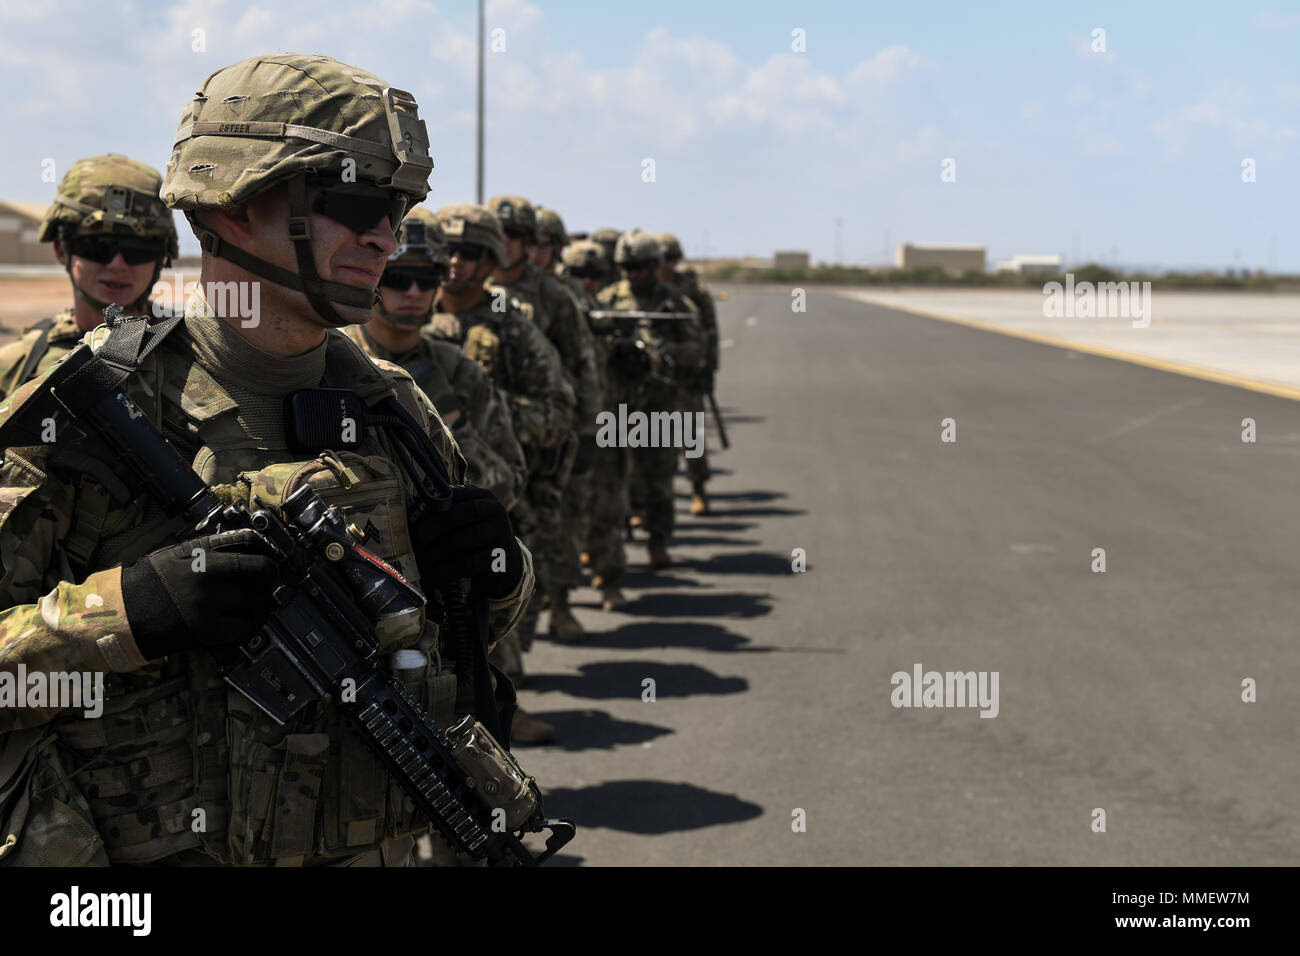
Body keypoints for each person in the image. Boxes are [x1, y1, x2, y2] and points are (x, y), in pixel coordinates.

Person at [0, 53, 534, 867]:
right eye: (356, 201)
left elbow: (447, 650)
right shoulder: (80, 416)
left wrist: (496, 577)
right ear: (238, 205)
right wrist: (129, 613)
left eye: (396, 206)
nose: (385, 235)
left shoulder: (394, 409)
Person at [429, 201, 576, 744]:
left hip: (494, 490)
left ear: (490, 261)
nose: (456, 263)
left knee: (489, 620)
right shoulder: (402, 313)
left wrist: (482, 410)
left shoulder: (513, 328)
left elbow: (559, 410)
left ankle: (496, 720)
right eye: (448, 251)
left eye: (471, 252)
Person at [346, 206, 526, 511]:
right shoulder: (335, 356)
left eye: (427, 279)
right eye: (400, 278)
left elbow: (507, 489)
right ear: (374, 277)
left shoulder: (460, 371)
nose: (414, 292)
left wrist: (453, 425)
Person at [486, 195, 600, 645]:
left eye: (516, 236)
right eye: (501, 234)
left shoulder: (553, 295)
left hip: (546, 436)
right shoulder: (467, 288)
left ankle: (562, 606)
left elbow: (582, 362)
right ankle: (511, 643)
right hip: (486, 438)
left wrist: (590, 428)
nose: (509, 244)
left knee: (554, 525)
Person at [0, 155, 178, 399]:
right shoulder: (17, 367)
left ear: (161, 257)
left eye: (138, 250)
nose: (117, 264)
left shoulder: (196, 355)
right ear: (62, 250)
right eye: (97, 247)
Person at [596, 231, 705, 568]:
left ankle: (658, 541)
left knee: (659, 480)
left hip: (660, 408)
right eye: (627, 267)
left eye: (641, 267)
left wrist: (662, 352)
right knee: (613, 483)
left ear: (656, 266)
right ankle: (609, 549)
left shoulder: (675, 304)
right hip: (616, 406)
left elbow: (697, 350)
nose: (634, 274)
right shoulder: (608, 300)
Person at [561, 240, 628, 609]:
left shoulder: (606, 311)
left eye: (594, 276)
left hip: (606, 422)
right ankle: (560, 601)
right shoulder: (558, 310)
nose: (587, 283)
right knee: (565, 516)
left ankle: (608, 579)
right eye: (579, 275)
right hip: (569, 429)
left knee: (607, 505)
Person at [658, 233, 719, 516]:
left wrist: (708, 368)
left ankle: (698, 488)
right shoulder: (646, 287)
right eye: (660, 259)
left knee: (690, 437)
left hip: (686, 374)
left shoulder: (691, 288)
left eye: (670, 259)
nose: (665, 265)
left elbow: (710, 329)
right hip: (655, 376)